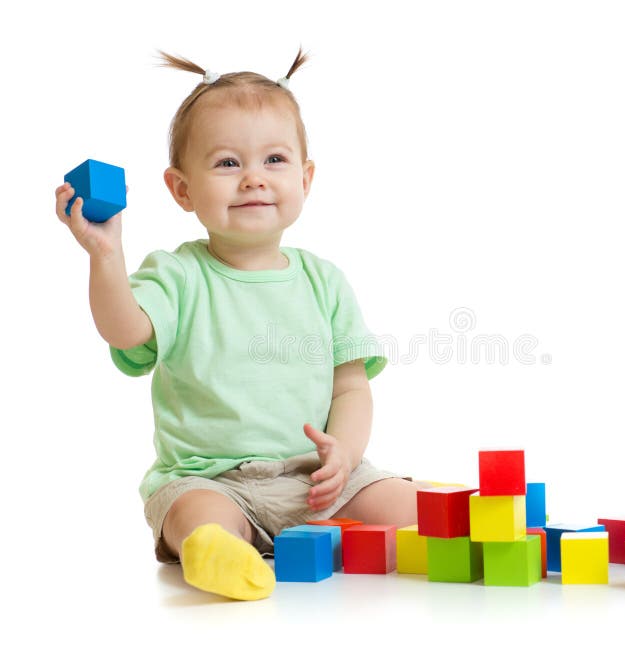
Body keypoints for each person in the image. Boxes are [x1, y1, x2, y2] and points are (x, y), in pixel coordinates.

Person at [54, 48, 421, 601]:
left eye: (274, 160)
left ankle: (404, 531)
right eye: (228, 163)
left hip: (314, 480)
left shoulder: (325, 281)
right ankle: (218, 552)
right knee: (195, 514)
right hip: (212, 479)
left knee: (405, 503)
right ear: (181, 189)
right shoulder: (176, 275)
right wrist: (106, 258)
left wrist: (343, 454)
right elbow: (125, 331)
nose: (253, 179)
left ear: (306, 176)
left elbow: (351, 387)